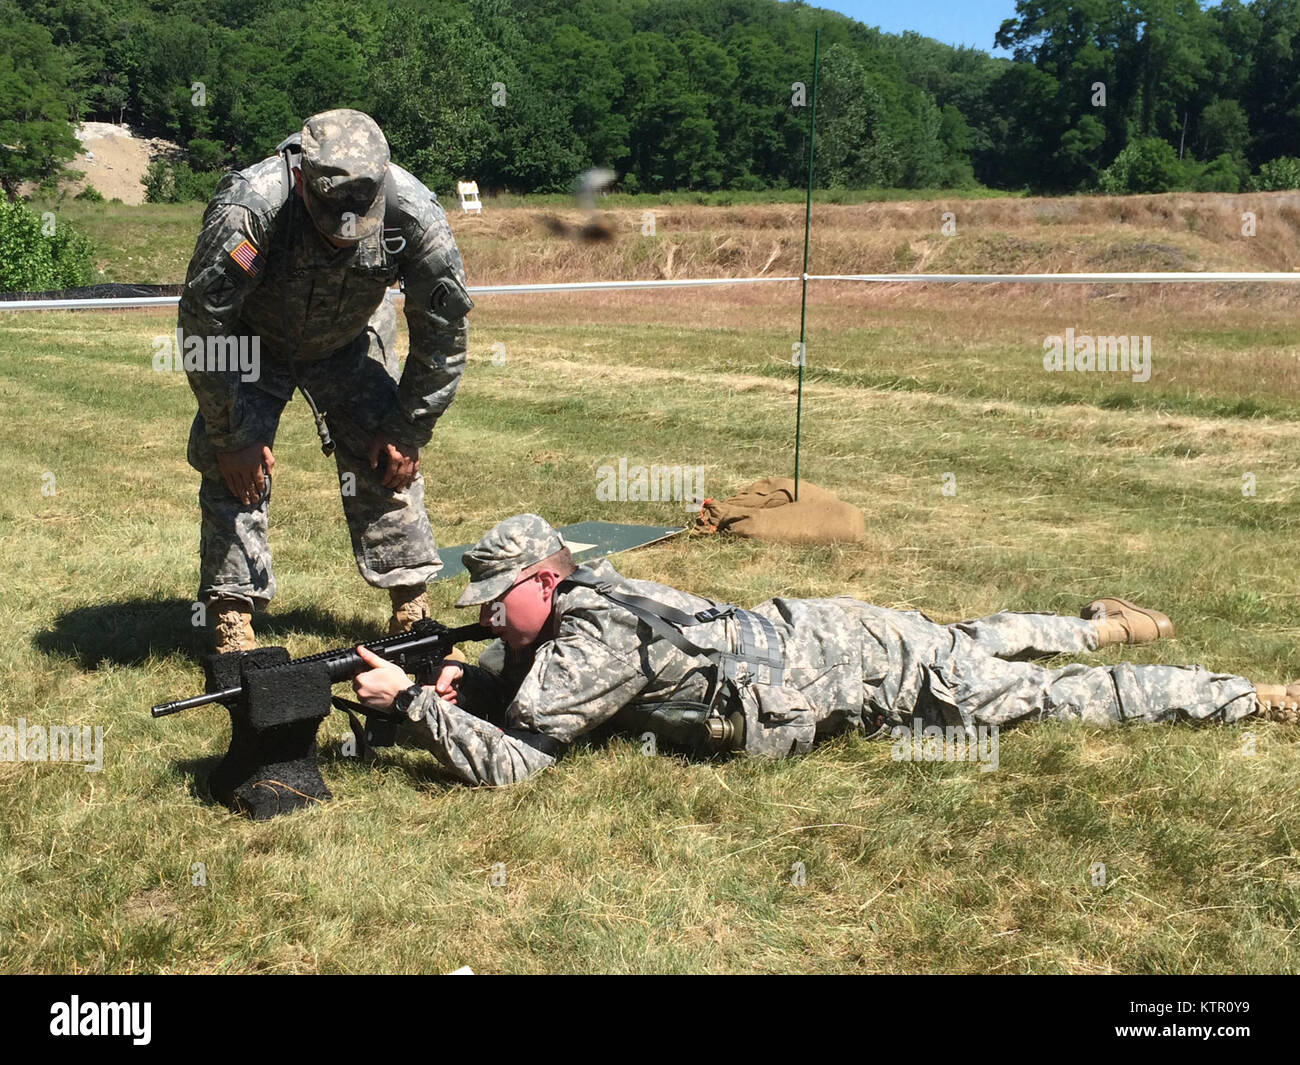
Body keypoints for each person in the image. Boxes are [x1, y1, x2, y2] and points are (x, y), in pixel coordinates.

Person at [350, 514, 1299, 787]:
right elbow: (529, 689)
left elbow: (518, 761)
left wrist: (414, 704)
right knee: (967, 640)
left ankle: (1244, 696)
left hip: (857, 667)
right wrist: (468, 676)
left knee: (1034, 700)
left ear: (546, 583)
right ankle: (1095, 624)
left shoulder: (591, 631)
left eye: (493, 599)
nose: (482, 614)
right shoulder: (589, 598)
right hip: (823, 628)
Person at [179, 108, 472, 651]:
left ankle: (412, 606)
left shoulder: (413, 213)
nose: (343, 232)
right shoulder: (252, 209)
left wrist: (411, 426)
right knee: (234, 469)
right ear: (300, 178)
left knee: (388, 459)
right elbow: (205, 322)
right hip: (252, 343)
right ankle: (230, 615)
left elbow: (443, 328)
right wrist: (231, 434)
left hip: (347, 341)